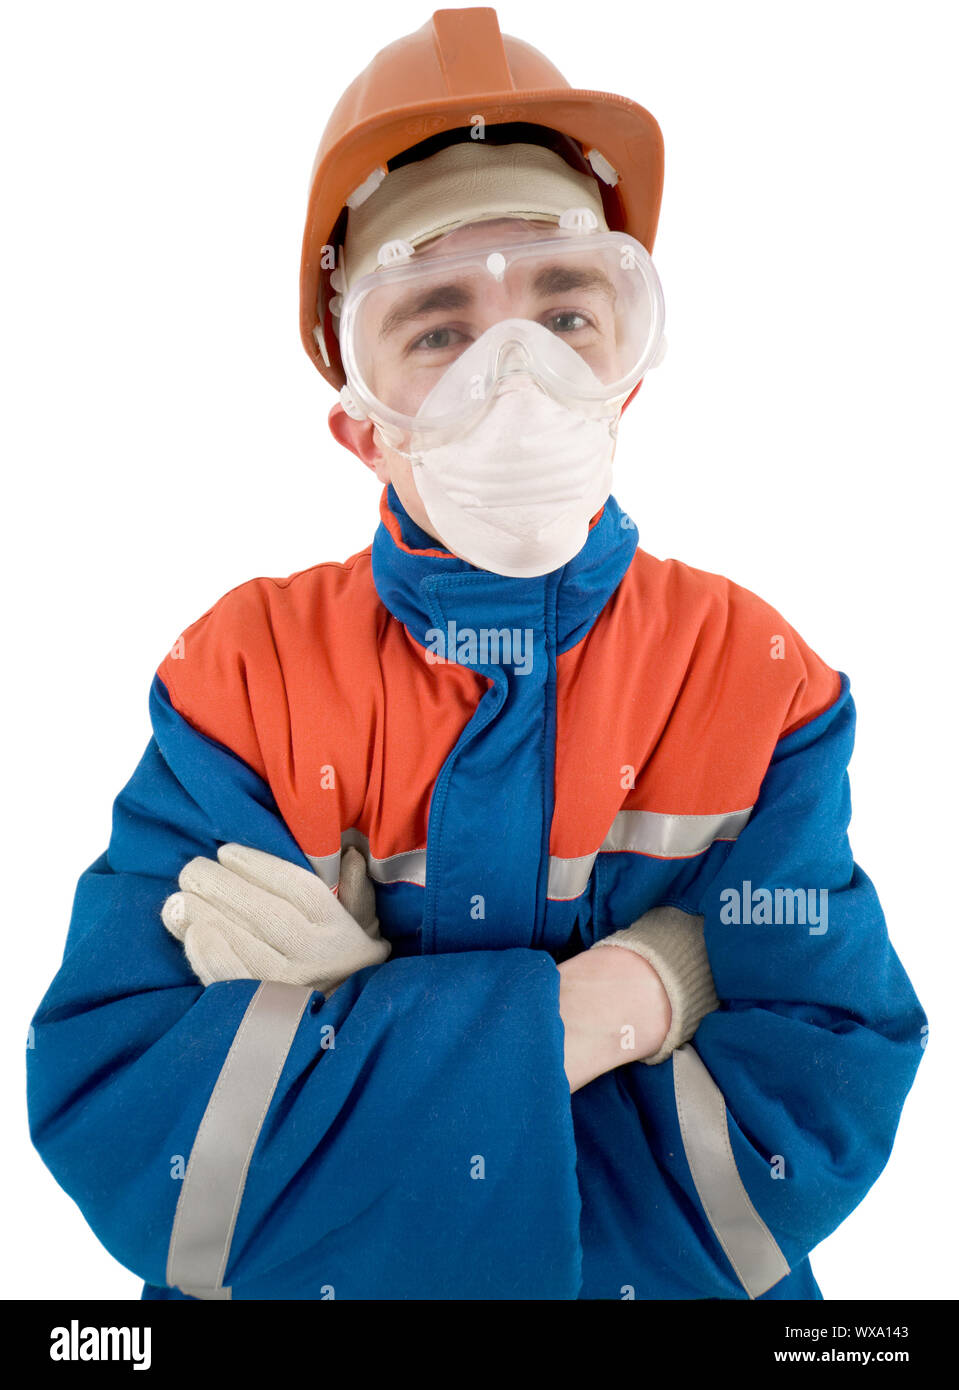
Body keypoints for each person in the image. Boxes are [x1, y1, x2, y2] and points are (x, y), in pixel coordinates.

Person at [27, 7, 926, 1302]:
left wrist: (359, 1043)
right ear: (360, 426)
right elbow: (123, 1105)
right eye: (437, 330)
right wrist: (615, 1002)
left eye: (569, 311)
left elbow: (821, 1092)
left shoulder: (755, 680)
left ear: (629, 370)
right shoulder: (243, 678)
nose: (515, 380)